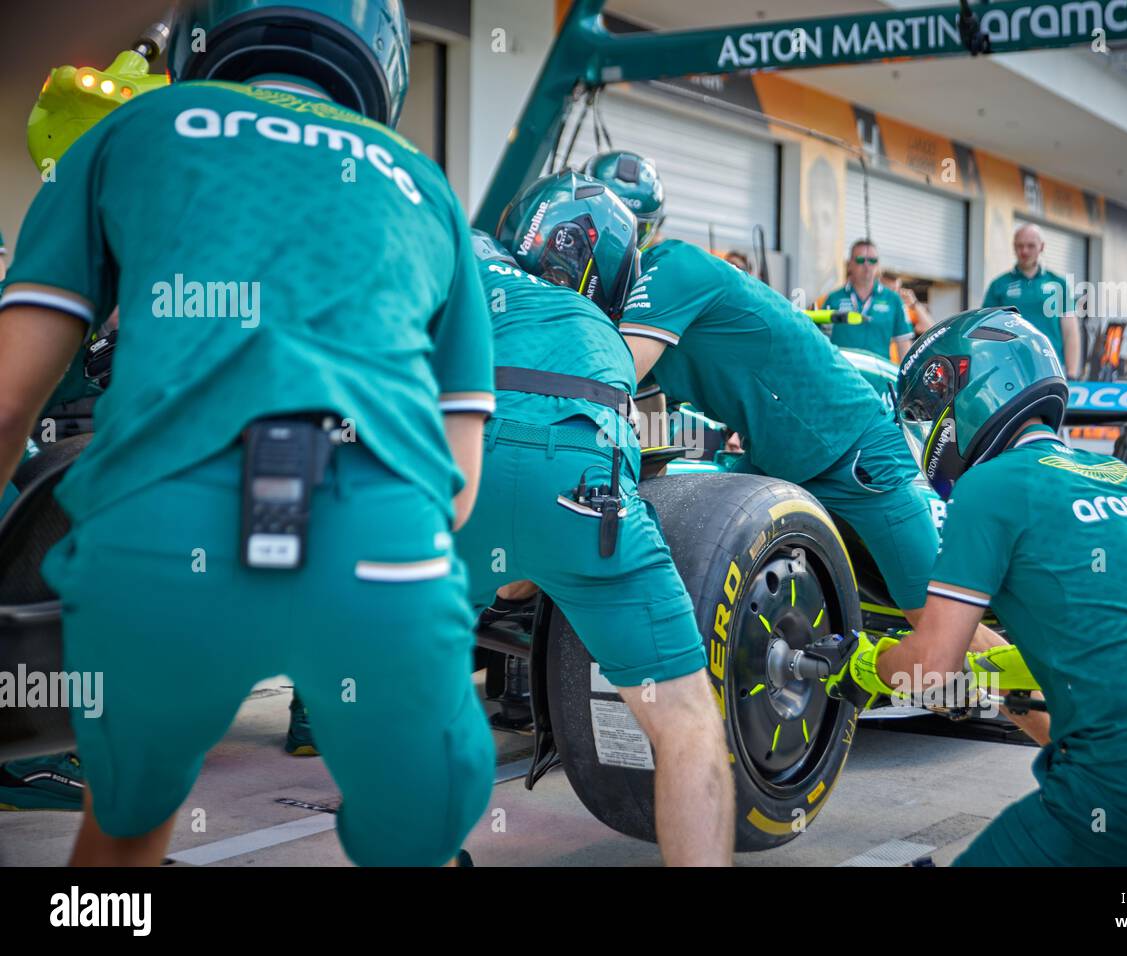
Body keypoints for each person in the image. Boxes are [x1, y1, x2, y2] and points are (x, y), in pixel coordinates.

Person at [0, 0, 496, 866]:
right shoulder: (425, 183)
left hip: (155, 528)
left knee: (124, 828)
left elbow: (10, 403)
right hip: (377, 536)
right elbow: (457, 477)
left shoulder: (135, 128)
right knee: (417, 836)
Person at [587, 154, 1045, 747]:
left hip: (857, 448)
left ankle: (1076, 745)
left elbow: (605, 388)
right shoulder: (627, 313)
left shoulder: (670, 269)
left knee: (939, 633)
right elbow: (639, 440)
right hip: (773, 463)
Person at [816, 308, 1127, 865]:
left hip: (1125, 784)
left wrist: (866, 661)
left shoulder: (990, 484)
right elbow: (1112, 652)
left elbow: (932, 664)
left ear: (969, 389)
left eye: (927, 412)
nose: (925, 431)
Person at [465, 171, 733, 865]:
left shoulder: (468, 257)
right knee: (685, 722)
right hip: (585, 480)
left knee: (411, 686)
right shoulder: (603, 332)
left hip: (459, 456)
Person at [982, 223, 1081, 377]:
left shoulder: (1059, 284)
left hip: (1051, 367)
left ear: (1042, 247)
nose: (1025, 251)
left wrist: (1072, 372)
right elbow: (986, 330)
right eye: (1020, 246)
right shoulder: (999, 285)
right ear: (1014, 247)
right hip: (1010, 368)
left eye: (1031, 246)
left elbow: (1070, 332)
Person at [819, 239, 912, 360]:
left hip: (879, 376)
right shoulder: (833, 299)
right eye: (860, 260)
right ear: (850, 264)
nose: (867, 265)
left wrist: (905, 378)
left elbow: (904, 344)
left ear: (878, 265)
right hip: (842, 375)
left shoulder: (893, 300)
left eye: (872, 260)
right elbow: (821, 341)